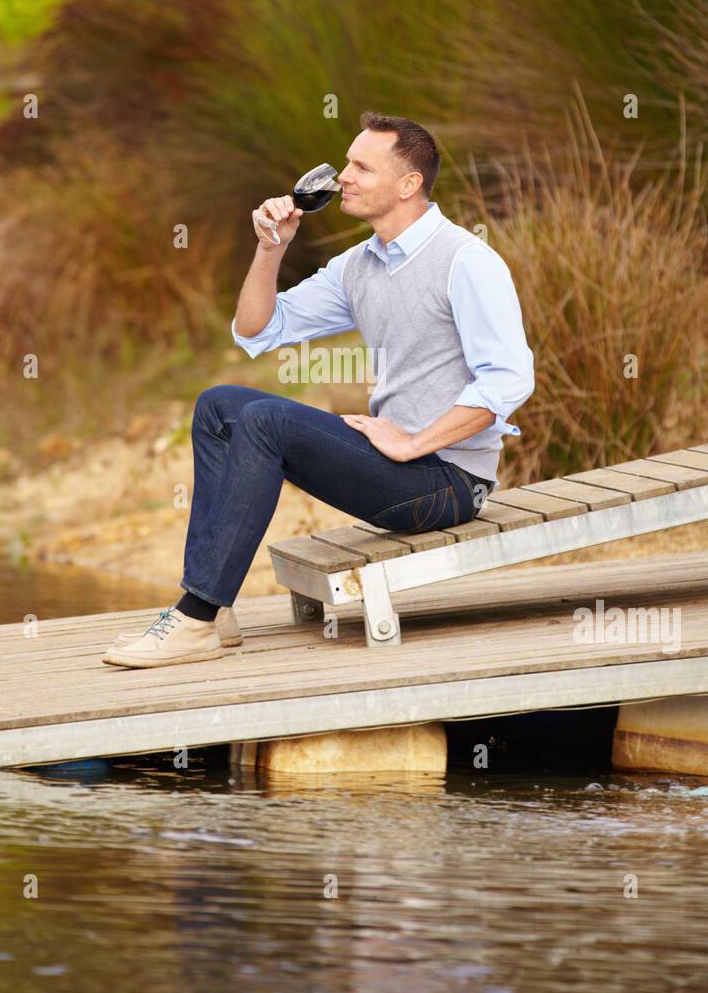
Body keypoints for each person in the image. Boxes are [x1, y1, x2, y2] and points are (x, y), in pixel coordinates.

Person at [103, 111, 535, 668]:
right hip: (396, 466)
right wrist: (271, 248)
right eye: (346, 163)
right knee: (220, 407)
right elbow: (258, 329)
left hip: (450, 482)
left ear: (408, 185)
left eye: (360, 167)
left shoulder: (466, 261)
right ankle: (216, 614)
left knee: (266, 421)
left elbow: (508, 378)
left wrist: (413, 443)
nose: (342, 178)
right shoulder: (359, 264)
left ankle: (195, 618)